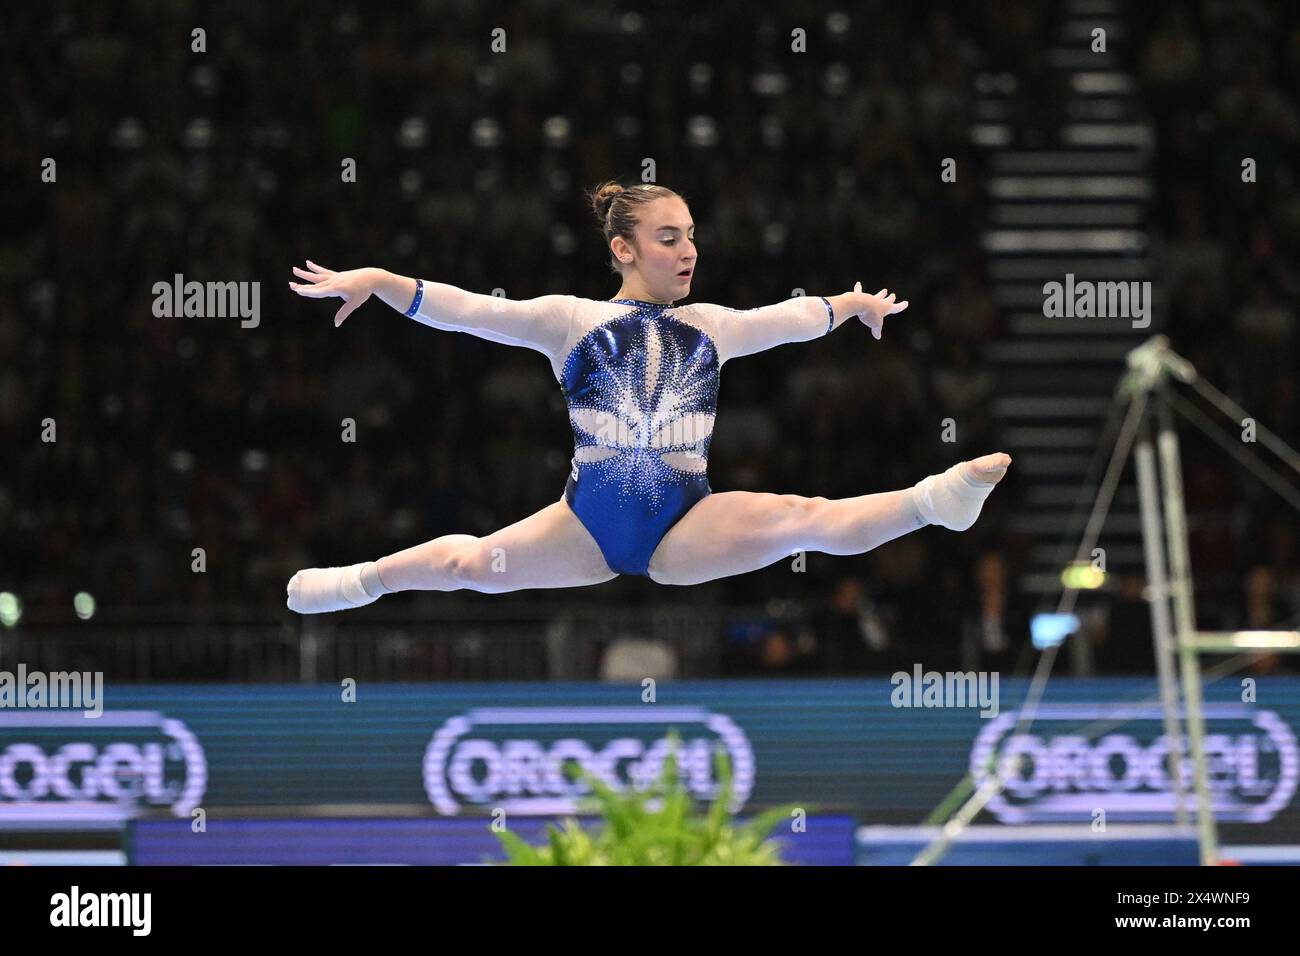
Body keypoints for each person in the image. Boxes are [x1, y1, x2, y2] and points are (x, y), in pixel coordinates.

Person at [285, 181, 1011, 613]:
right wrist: (380, 282)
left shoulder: (712, 327)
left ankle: (936, 504)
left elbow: (792, 319)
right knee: (468, 567)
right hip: (583, 529)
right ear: (624, 249)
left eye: (692, 235)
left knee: (801, 518)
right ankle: (360, 582)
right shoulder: (568, 320)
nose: (689, 250)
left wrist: (850, 304)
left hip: (687, 524)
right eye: (669, 237)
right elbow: (470, 309)